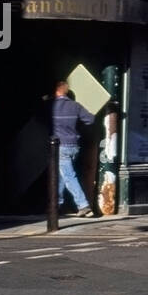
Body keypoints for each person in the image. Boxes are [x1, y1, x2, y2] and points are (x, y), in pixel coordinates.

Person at [51, 81, 96, 218]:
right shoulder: (75, 106)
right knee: (62, 175)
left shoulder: (52, 107)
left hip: (61, 146)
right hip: (74, 146)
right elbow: (90, 119)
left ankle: (83, 206)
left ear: (56, 91)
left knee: (69, 176)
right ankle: (56, 204)